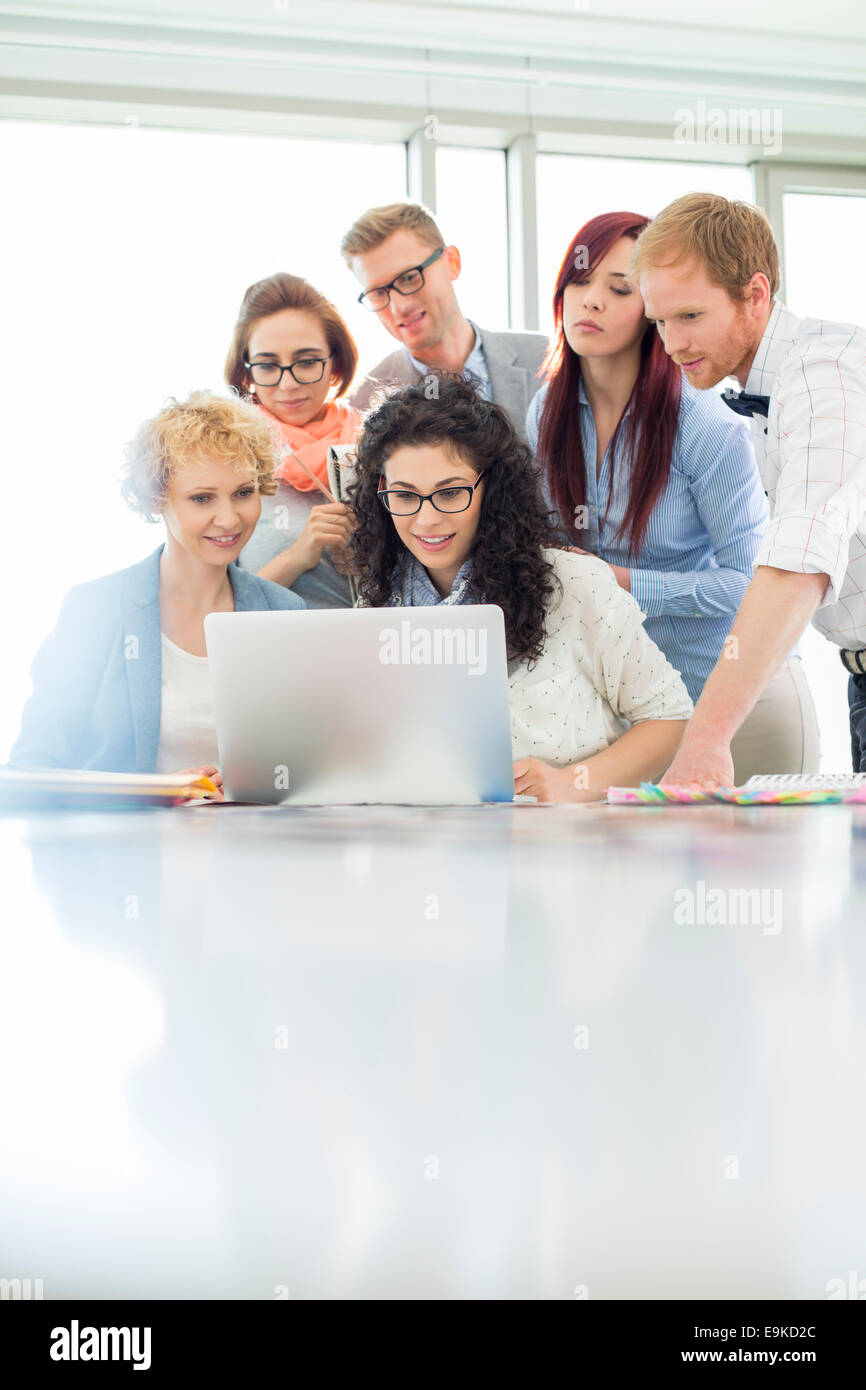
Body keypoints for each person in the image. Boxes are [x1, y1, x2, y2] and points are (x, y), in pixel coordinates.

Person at [527, 211, 819, 782]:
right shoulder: (548, 413)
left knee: (759, 875)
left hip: (739, 702)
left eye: (618, 290)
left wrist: (621, 581)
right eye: (578, 282)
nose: (589, 302)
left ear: (653, 312)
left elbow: (748, 585)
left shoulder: (703, 421)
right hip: (634, 710)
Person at [346, 375, 693, 802]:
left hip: (567, 851)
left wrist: (572, 784)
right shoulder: (376, 604)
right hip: (429, 850)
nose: (426, 520)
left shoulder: (573, 584)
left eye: (451, 493)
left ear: (492, 490)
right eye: (404, 495)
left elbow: (668, 717)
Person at [631, 192, 866, 781]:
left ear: (755, 294)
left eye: (689, 316)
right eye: (659, 321)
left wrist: (706, 738)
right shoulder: (771, 384)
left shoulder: (820, 377)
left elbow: (799, 559)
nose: (671, 344)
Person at [9, 391, 305, 783]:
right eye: (202, 498)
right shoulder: (93, 611)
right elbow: (31, 770)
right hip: (128, 843)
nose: (229, 518)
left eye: (243, 493)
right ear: (155, 501)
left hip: (255, 841)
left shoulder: (287, 613)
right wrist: (158, 791)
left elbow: (309, 770)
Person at [341, 202, 547, 438]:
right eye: (378, 293)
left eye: (409, 278)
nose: (400, 308)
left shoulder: (547, 360)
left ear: (452, 262)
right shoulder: (362, 408)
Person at [226, 273, 360, 607]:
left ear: (337, 364)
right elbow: (219, 610)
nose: (288, 385)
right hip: (267, 655)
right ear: (246, 373)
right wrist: (299, 555)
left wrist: (374, 562)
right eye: (268, 366)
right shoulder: (228, 460)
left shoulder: (376, 452)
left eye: (306, 362)